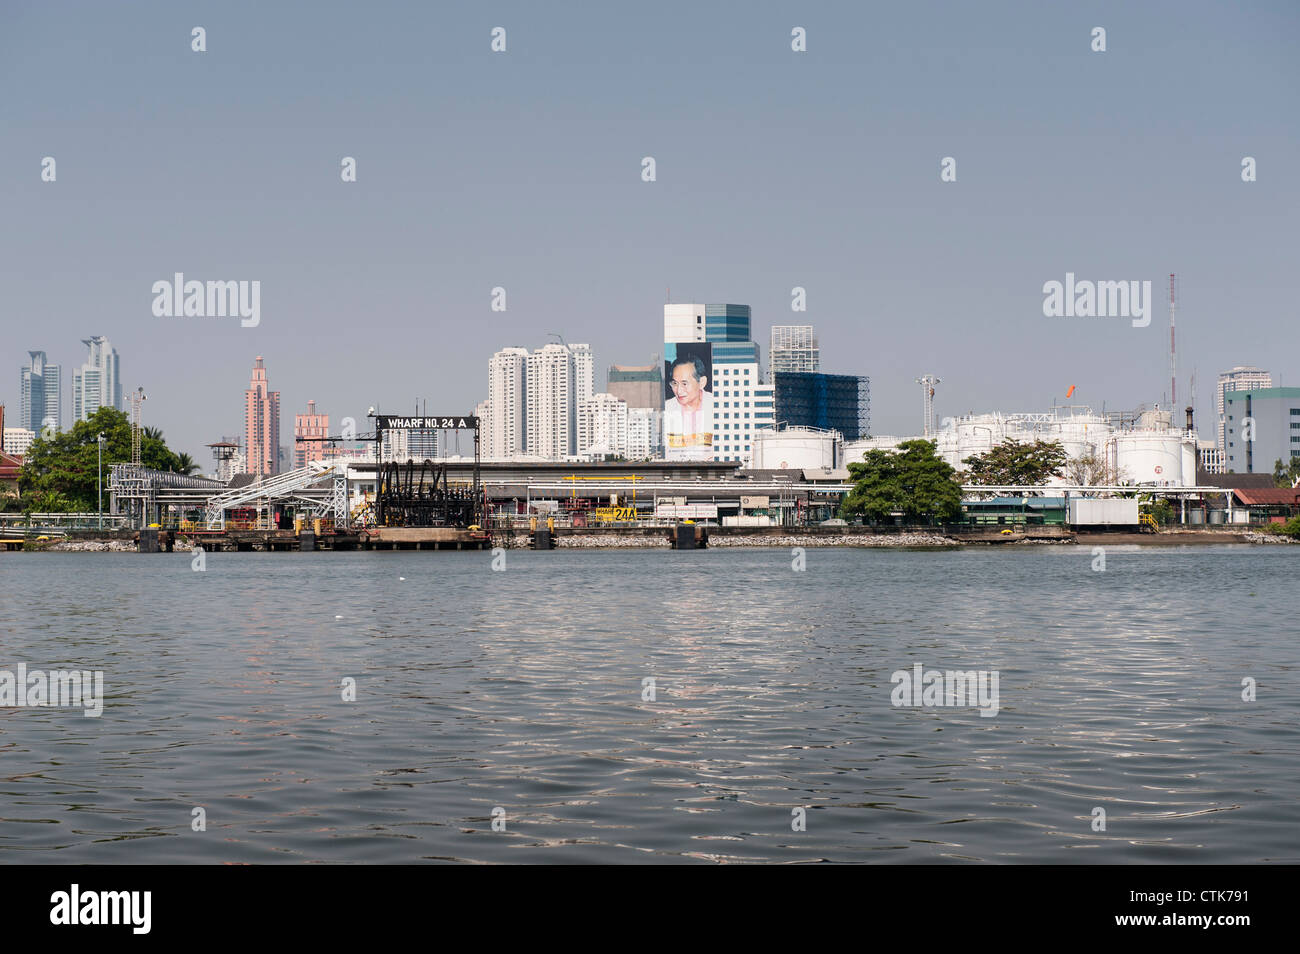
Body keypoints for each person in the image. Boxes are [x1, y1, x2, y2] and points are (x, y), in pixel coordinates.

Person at [664, 354, 713, 460]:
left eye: (684, 384)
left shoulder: (717, 406)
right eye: (674, 383)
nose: (679, 391)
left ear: (702, 382)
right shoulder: (666, 409)